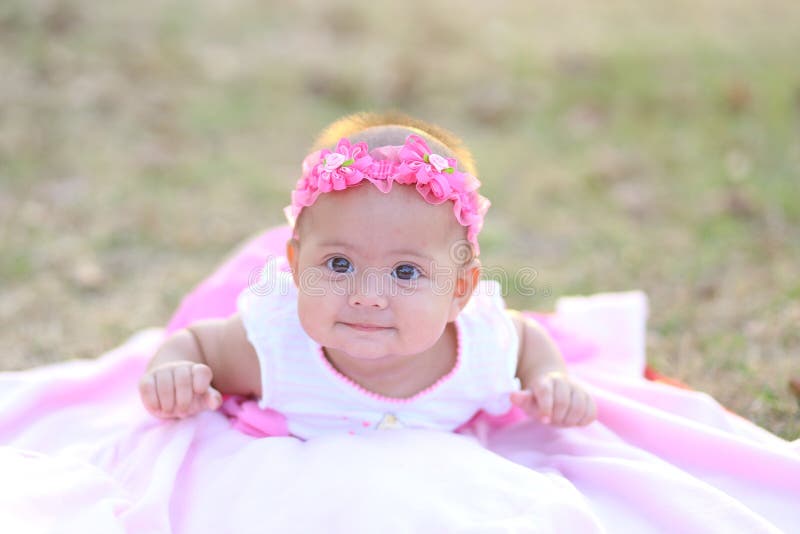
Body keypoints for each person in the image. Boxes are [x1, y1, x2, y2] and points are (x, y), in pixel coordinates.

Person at [138, 112, 597, 439]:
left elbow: (527, 339)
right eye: (339, 265)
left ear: (459, 291)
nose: (367, 296)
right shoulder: (274, 346)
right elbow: (197, 343)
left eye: (404, 271)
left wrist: (549, 377)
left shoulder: (482, 347)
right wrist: (173, 372)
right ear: (297, 269)